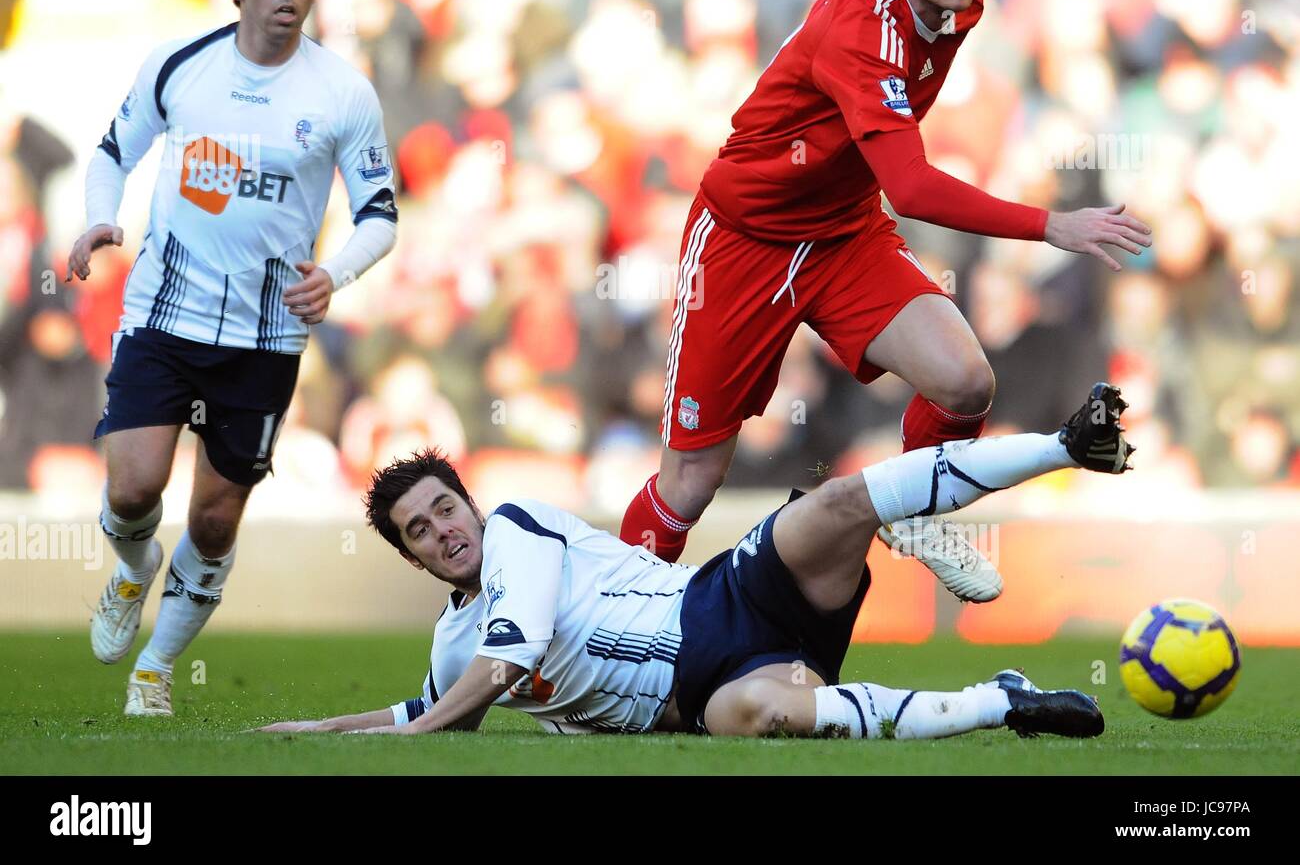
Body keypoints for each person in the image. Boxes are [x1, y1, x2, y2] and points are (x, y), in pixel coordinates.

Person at [618, 0, 1152, 602]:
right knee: (692, 480)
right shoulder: (862, 33)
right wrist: (1051, 224)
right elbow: (912, 186)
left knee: (965, 381)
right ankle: (599, 634)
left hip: (842, 232)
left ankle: (918, 513)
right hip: (747, 237)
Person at [257, 383, 1133, 739]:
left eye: (445, 507)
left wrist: (417, 730)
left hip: (715, 603)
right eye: (420, 530)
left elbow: (498, 667)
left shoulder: (518, 532)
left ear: (472, 504)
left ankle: (1066, 443)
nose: (442, 529)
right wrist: (311, 735)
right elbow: (428, 703)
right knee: (759, 716)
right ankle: (1006, 702)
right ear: (413, 559)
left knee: (833, 498)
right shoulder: (457, 651)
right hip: (702, 693)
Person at [66, 0, 399, 717]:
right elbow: (114, 149)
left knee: (214, 521)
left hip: (266, 336)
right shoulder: (181, 66)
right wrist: (99, 216)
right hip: (163, 317)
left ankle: (156, 670)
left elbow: (380, 211)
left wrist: (337, 275)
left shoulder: (343, 92)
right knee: (136, 489)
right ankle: (132, 569)